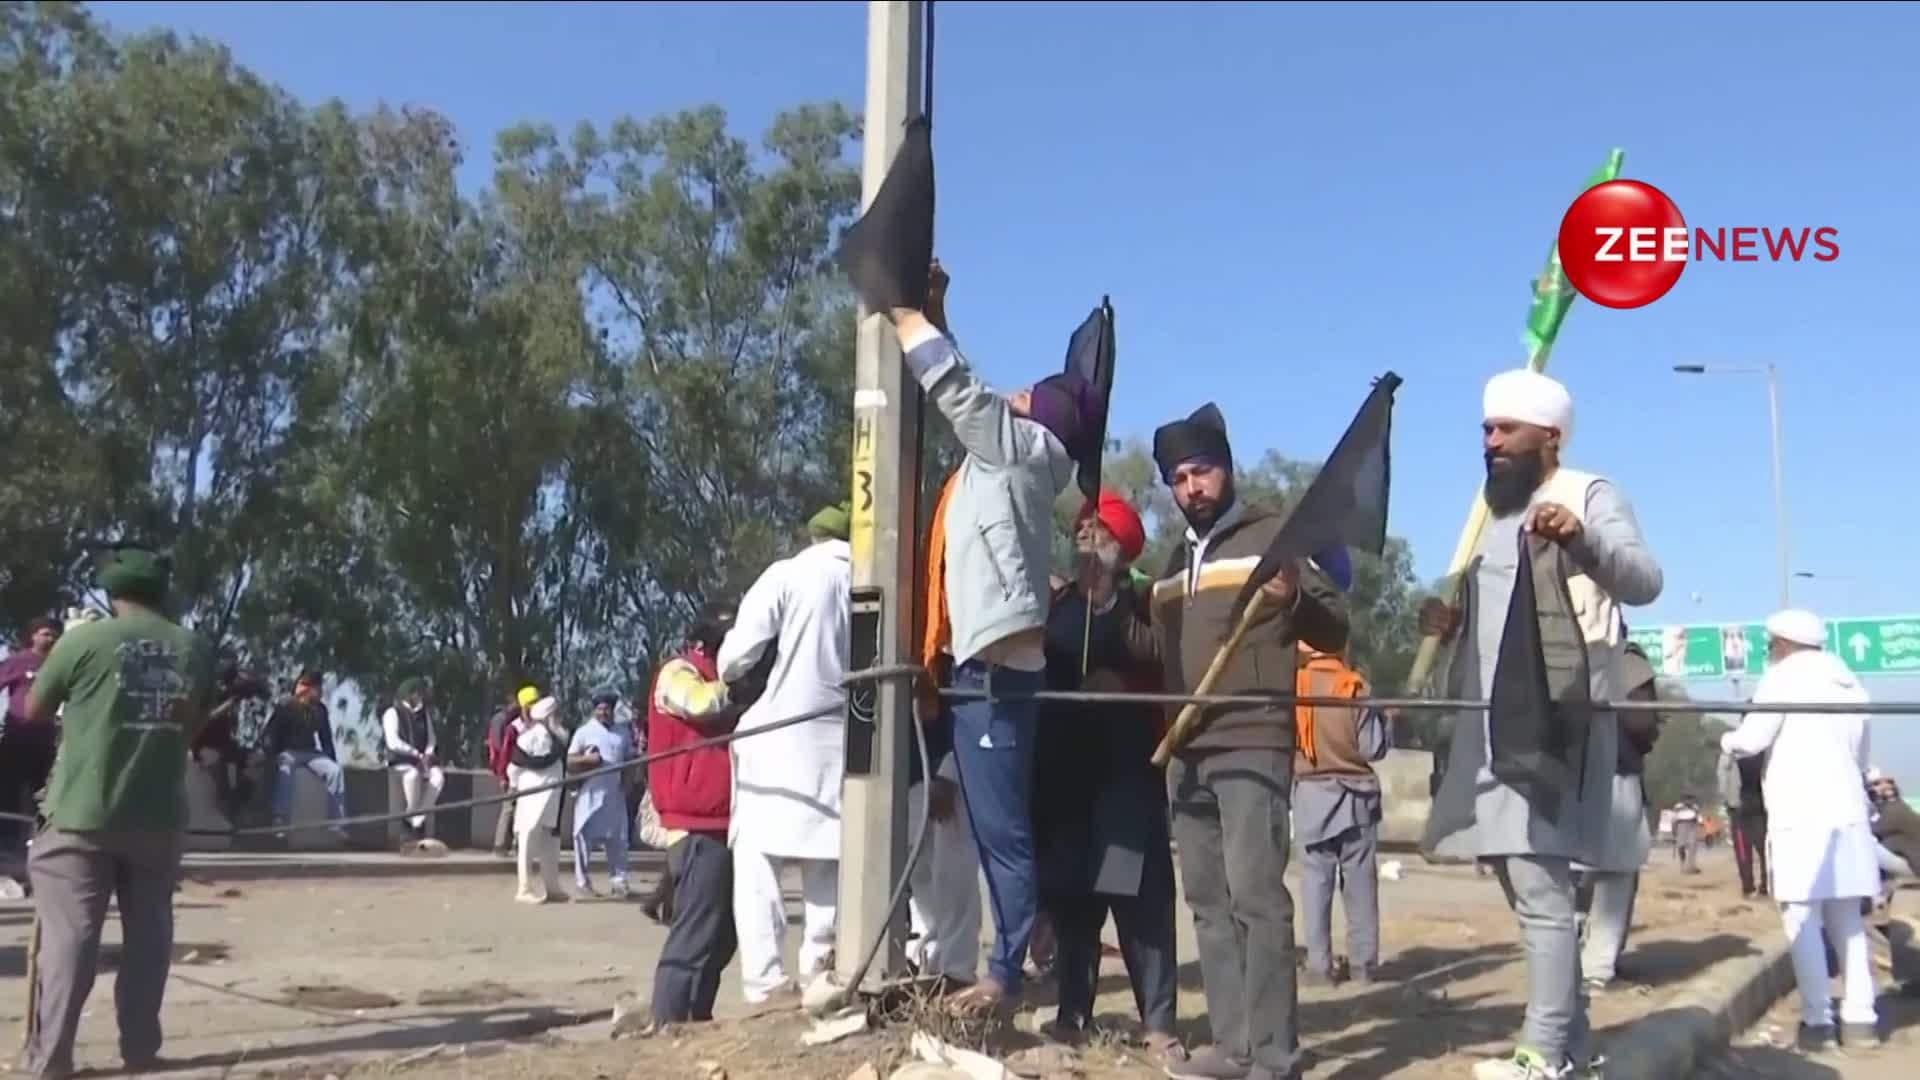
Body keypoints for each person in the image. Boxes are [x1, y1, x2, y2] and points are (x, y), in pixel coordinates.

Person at [1421, 368, 1664, 1080]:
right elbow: (1491, 622)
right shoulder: (1487, 515)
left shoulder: (1587, 494)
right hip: (1487, 724)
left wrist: (1583, 540)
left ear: (1549, 437)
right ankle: (1573, 1045)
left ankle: (1542, 1048)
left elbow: (1645, 581)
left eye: (1505, 430)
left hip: (1556, 716)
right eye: (1485, 431)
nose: (1490, 442)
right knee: (1515, 873)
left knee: (1539, 883)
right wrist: (1450, 622)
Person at [882, 261, 1097, 1016]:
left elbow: (958, 388)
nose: (1010, 395)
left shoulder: (1014, 450)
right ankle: (1007, 954)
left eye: (1025, 396)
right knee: (986, 828)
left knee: (1001, 835)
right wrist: (939, 308)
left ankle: (1004, 974)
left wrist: (905, 313)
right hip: (977, 669)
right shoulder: (1016, 452)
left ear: (1038, 419)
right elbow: (975, 389)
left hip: (991, 673)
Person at [1145, 403, 1350, 1080]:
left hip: (1251, 739)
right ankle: (1232, 1047)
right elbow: (1155, 647)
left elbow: (1335, 629)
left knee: (1258, 900)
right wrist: (1094, 596)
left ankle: (1276, 1056)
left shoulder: (1274, 536)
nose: (1192, 488)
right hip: (1188, 747)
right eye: (1178, 478)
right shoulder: (1174, 562)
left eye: (1202, 471)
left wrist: (1293, 596)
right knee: (1206, 903)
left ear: (1226, 469)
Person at [20, 545, 213, 1077]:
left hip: (82, 810)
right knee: (149, 935)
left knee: (71, 939)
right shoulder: (192, 647)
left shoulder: (85, 640)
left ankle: (51, 1057)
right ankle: (141, 1049)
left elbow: (32, 710)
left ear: (111, 592)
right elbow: (189, 727)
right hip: (157, 813)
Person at [1031, 490, 1182, 1063]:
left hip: (1126, 776)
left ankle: (1160, 1022)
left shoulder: (1146, 603)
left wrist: (1124, 680)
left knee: (1139, 902)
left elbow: (1166, 656)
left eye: (1100, 531)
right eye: (1080, 530)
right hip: (1066, 774)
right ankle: (1073, 1013)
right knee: (1073, 900)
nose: (1086, 538)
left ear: (1125, 547)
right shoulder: (1056, 603)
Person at [1720, 609, 1883, 1051]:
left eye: (1770, 644)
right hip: (1847, 814)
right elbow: (1862, 758)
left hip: (1801, 815)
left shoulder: (1783, 677)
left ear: (1783, 643)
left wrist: (1725, 740)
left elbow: (1752, 739)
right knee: (1847, 919)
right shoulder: (1851, 682)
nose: (1768, 652)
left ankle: (1817, 1022)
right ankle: (1862, 1020)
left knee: (1801, 918)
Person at [718, 504, 853, 1004]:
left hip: (778, 737)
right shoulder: (875, 578)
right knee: (830, 861)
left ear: (812, 537)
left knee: (756, 858)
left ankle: (766, 981)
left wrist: (730, 672)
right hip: (844, 740)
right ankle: (821, 969)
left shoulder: (789, 574)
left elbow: (736, 657)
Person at [648, 603, 744, 1024]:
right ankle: (669, 1023)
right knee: (695, 933)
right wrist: (743, 684)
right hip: (695, 825)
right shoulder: (678, 672)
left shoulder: (716, 674)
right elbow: (703, 705)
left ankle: (695, 1017)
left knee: (723, 936)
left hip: (725, 822)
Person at [1294, 676, 1391, 989]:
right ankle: (1364, 966)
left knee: (1314, 886)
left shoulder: (1295, 687)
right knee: (1360, 885)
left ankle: (1319, 966)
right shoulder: (1354, 688)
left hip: (1311, 797)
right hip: (1356, 798)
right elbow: (1372, 749)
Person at [1575, 639, 1661, 992]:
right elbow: (1642, 720)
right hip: (1614, 772)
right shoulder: (1625, 660)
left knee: (1569, 879)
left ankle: (1566, 967)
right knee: (1616, 876)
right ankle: (1597, 969)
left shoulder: (1559, 649)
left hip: (1567, 777)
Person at [0, 615, 63, 890]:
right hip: (16, 739)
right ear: (33, 636)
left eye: (53, 635)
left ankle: (43, 852)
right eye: (44, 634)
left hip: (45, 741)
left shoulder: (60, 665)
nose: (49, 639)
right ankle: (5, 853)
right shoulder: (18, 662)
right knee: (8, 796)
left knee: (44, 799)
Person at [263, 671, 346, 836]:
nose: (319, 692)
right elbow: (270, 732)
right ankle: (280, 818)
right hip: (289, 752)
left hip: (310, 752)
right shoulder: (286, 705)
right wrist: (270, 753)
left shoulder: (320, 710)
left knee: (335, 771)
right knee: (285, 770)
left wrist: (332, 760)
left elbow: (326, 738)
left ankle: (337, 822)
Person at [569, 689, 634, 898]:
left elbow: (630, 761)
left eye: (607, 709)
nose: (603, 712)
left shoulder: (622, 732)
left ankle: (619, 880)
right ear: (594, 710)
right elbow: (570, 761)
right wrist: (587, 761)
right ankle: (582, 882)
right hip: (591, 792)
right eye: (600, 709)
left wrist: (628, 783)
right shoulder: (584, 732)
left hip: (614, 793)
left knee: (618, 839)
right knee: (582, 836)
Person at [509, 696, 568, 903]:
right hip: (533, 797)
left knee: (550, 842)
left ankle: (552, 887)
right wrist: (514, 787)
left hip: (552, 798)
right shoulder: (530, 737)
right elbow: (515, 766)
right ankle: (524, 888)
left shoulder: (558, 737)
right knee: (527, 840)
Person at [382, 678, 445, 841]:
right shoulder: (392, 713)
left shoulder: (424, 714)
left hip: (421, 760)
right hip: (401, 761)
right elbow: (393, 742)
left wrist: (428, 753)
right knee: (412, 776)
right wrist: (415, 753)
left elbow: (431, 738)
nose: (420, 696)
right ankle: (412, 820)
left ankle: (416, 819)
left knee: (438, 777)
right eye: (417, 693)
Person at [487, 685, 540, 856]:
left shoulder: (539, 727)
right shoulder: (514, 727)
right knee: (509, 808)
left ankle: (520, 844)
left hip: (533, 775)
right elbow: (504, 753)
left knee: (526, 811)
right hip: (515, 775)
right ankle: (500, 844)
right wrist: (502, 775)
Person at [1719, 744, 1769, 898]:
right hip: (1761, 805)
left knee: (1743, 850)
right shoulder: (1765, 751)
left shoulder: (1730, 751)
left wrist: (1727, 801)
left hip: (1739, 806)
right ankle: (1766, 885)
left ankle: (1748, 887)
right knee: (1765, 849)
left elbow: (1723, 779)